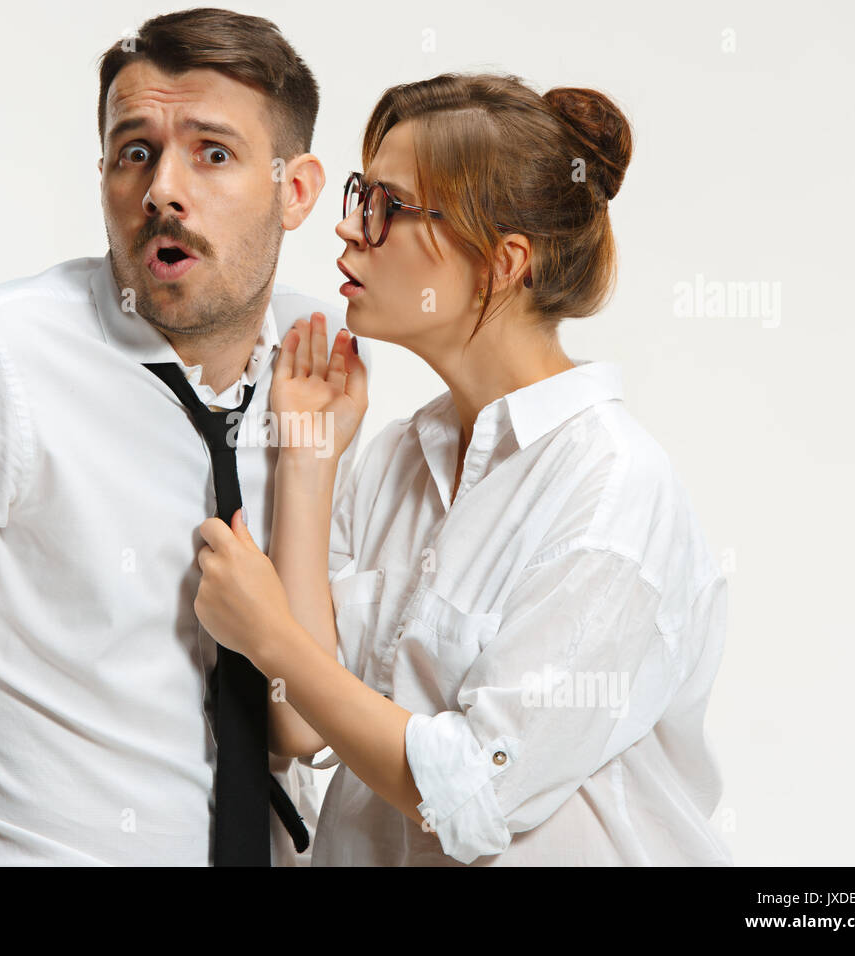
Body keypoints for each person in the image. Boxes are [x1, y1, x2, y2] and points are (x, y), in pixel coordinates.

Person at [0, 8, 373, 866]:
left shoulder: (320, 364)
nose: (163, 190)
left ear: (295, 191)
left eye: (213, 153)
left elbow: (303, 719)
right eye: (134, 151)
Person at [194, 72, 733, 865]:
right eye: (359, 194)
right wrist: (308, 463)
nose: (347, 227)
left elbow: (475, 796)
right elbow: (301, 722)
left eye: (387, 206)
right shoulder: (399, 457)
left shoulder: (611, 488)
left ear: (503, 261)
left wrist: (270, 634)